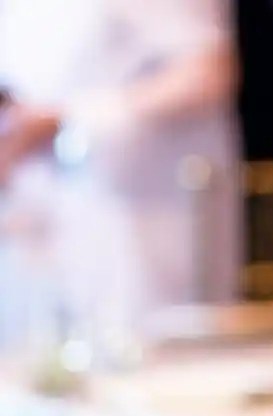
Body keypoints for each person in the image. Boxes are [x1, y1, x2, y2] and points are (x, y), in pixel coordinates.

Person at [0, 0, 242, 351]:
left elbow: (209, 70)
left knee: (146, 374)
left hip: (140, 228)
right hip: (42, 237)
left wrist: (68, 118)